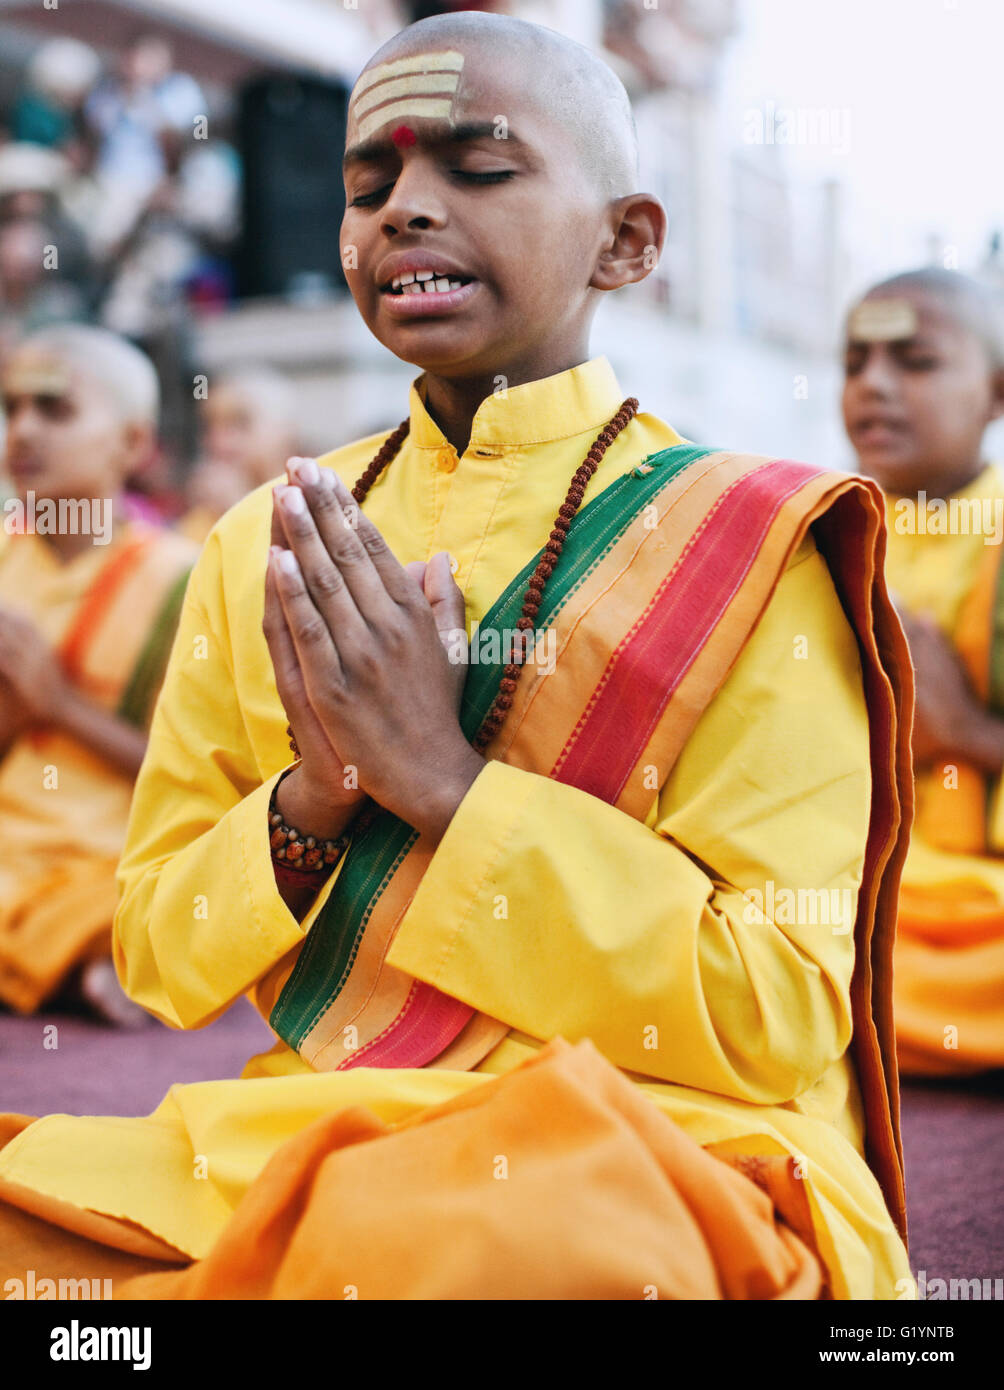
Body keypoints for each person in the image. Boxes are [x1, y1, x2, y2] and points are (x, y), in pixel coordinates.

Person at [0, 14, 914, 1299]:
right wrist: (312, 800)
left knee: (480, 1249)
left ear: (627, 239)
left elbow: (773, 1007)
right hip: (322, 1121)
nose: (404, 213)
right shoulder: (268, 539)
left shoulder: (752, 541)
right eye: (369, 186)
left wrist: (442, 781)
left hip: (659, 1138)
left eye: (478, 171)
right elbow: (156, 947)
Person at [0, 324, 195, 1022]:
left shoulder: (181, 580)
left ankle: (99, 952)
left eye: (54, 411)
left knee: (145, 907)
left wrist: (59, 708)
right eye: (12, 407)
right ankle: (89, 964)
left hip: (102, 862)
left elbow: (198, 775)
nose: (22, 431)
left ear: (133, 445)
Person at [842, 267, 1004, 1076]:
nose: (874, 386)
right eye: (854, 362)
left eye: (915, 361)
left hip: (985, 906)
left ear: (997, 390)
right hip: (856, 894)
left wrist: (969, 732)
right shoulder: (822, 528)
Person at [179, 367, 301, 543]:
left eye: (240, 423)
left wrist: (239, 513)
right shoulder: (199, 521)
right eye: (208, 426)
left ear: (286, 434)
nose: (219, 443)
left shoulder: (317, 509)